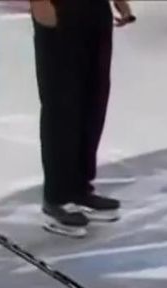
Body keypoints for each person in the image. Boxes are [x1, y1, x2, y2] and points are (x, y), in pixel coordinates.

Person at [30, 0, 136, 237]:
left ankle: (79, 188)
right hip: (59, 10)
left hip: (95, 11)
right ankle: (56, 197)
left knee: (93, 99)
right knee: (61, 103)